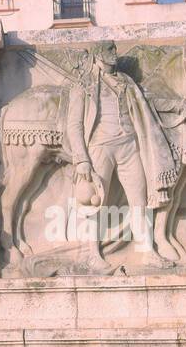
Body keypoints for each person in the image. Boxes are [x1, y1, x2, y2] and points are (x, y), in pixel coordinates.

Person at [63, 42, 179, 271]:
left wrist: (181, 107)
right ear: (98, 56)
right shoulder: (83, 85)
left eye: (114, 50)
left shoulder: (126, 81)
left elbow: (148, 107)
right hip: (99, 147)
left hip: (129, 145)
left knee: (140, 199)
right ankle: (92, 254)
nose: (114, 55)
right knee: (95, 202)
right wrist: (82, 159)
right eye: (108, 51)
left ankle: (147, 251)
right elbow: (74, 125)